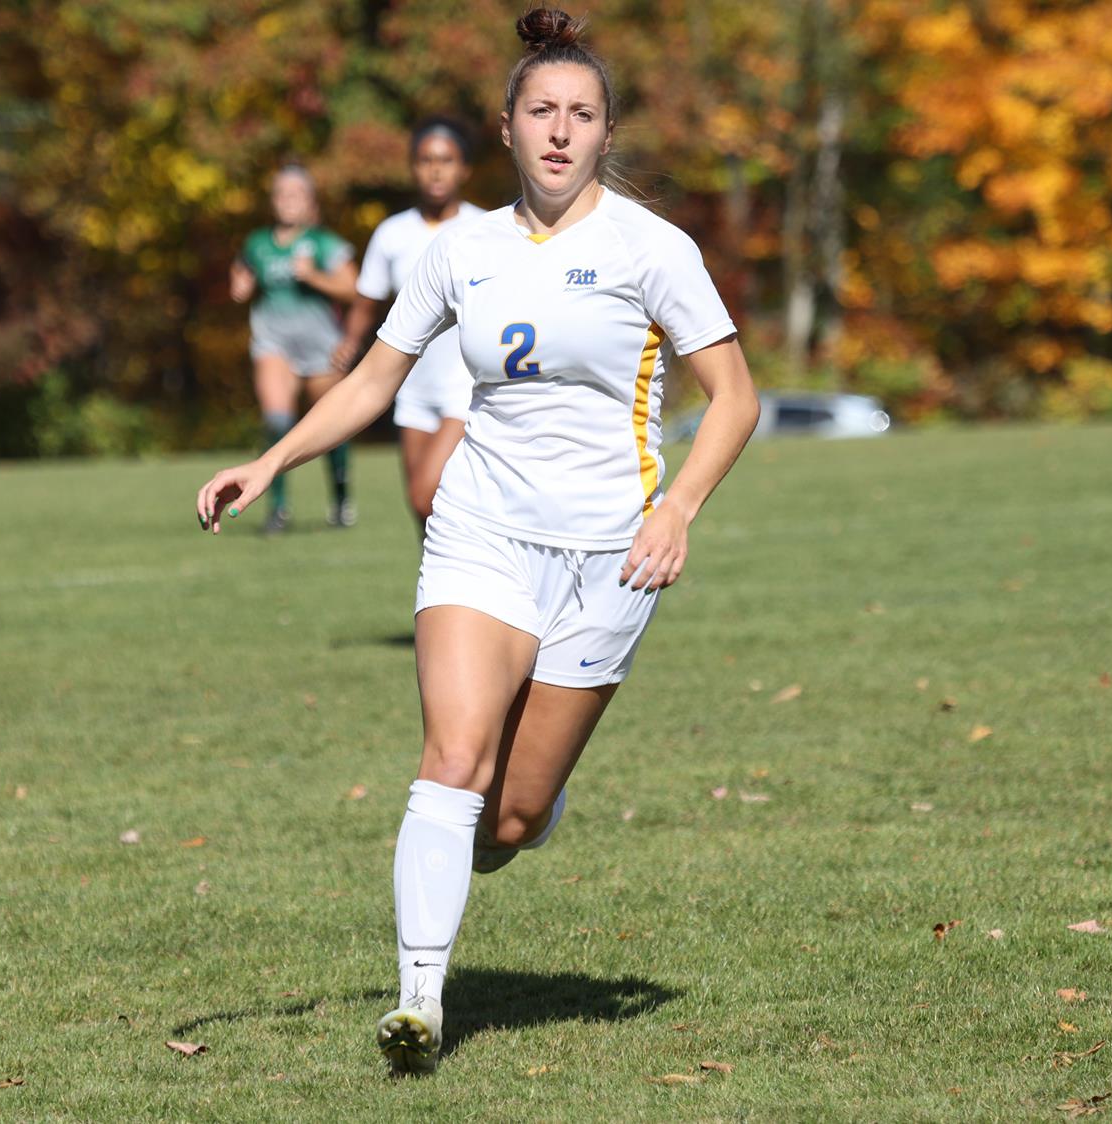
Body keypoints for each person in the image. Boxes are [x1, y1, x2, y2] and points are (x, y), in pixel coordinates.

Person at [195, 7, 761, 1076]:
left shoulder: (653, 249)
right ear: (504, 128)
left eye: (581, 113)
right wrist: (269, 462)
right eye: (540, 110)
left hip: (610, 555)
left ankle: (522, 817)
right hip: (481, 533)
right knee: (450, 760)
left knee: (506, 814)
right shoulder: (459, 252)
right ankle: (419, 1001)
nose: (559, 131)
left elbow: (733, 396)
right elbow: (371, 376)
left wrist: (676, 506)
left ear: (605, 131)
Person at [335, 118, 485, 532]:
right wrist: (350, 342)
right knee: (422, 514)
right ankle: (440, 594)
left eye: (446, 160)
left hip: (466, 389)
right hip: (412, 390)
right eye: (425, 160)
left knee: (427, 496)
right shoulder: (391, 233)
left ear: (464, 168)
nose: (436, 169)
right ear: (413, 167)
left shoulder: (486, 229)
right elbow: (367, 300)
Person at [230, 164, 362, 533]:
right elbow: (241, 269)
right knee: (277, 421)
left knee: (332, 428)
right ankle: (278, 507)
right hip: (274, 344)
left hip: (323, 348)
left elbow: (354, 289)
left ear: (310, 202)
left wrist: (313, 276)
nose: (288, 200)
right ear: (273, 201)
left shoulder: (323, 243)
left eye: (296, 194)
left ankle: (340, 499)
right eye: (281, 194)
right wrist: (240, 284)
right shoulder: (257, 242)